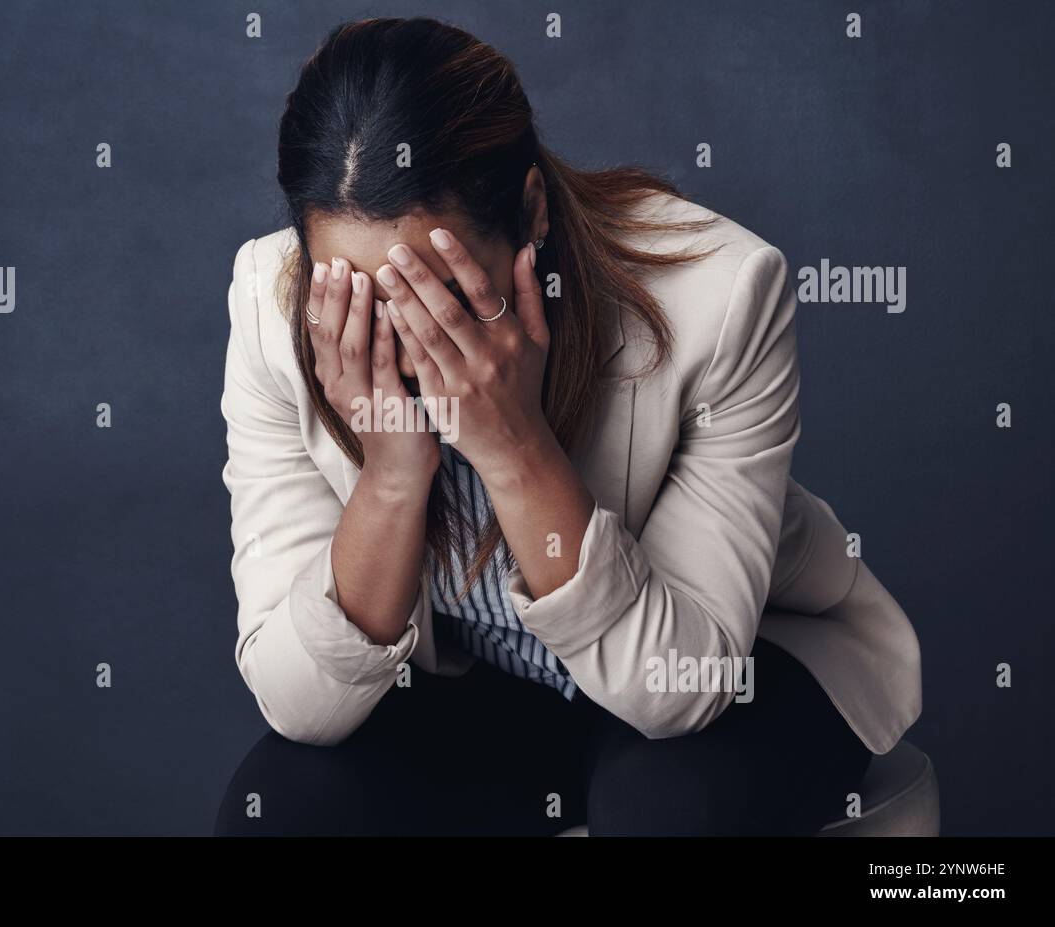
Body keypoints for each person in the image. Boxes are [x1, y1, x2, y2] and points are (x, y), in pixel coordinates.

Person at [215, 16, 921, 836]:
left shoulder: (721, 298)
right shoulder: (275, 306)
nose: (405, 341)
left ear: (532, 210)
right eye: (365, 300)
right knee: (280, 810)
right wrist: (392, 473)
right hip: (488, 686)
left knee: (662, 808)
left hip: (729, 663)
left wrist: (513, 447)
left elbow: (676, 686)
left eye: (439, 291)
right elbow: (298, 701)